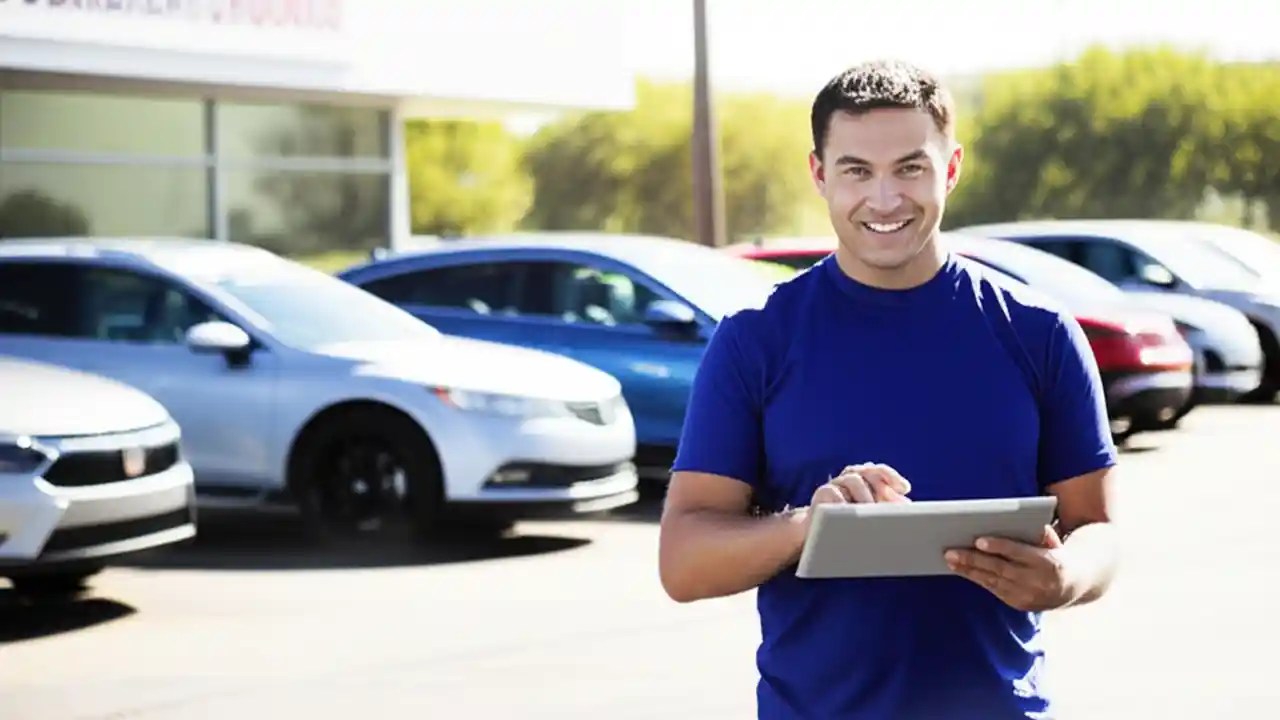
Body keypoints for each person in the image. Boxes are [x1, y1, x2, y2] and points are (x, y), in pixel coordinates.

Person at [658, 59, 1119, 719]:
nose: (884, 199)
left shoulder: (1039, 333)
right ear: (819, 173)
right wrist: (809, 527)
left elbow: (1097, 528)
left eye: (910, 168)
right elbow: (684, 562)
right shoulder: (756, 340)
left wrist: (1064, 577)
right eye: (856, 171)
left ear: (951, 168)